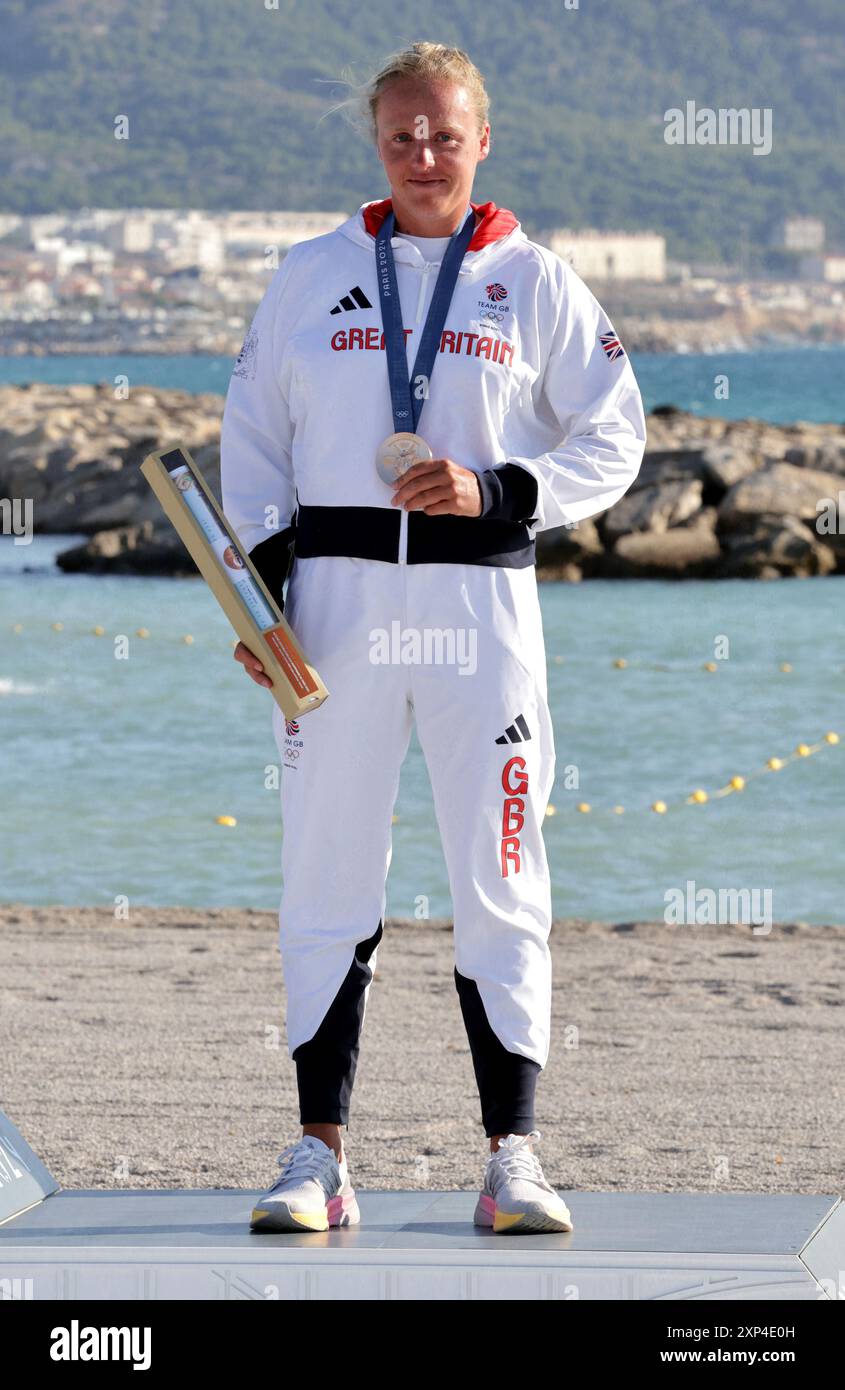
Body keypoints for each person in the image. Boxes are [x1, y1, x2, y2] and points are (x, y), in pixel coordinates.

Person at [220, 41, 646, 1236]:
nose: (422, 154)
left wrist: (502, 487)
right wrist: (261, 603)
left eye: (443, 135)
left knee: (500, 876)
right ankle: (317, 1156)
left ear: (482, 140)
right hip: (333, 617)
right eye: (402, 133)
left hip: (480, 615)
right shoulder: (309, 274)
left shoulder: (534, 279)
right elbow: (249, 446)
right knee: (324, 875)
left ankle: (512, 1154)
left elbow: (613, 440)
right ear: (375, 139)